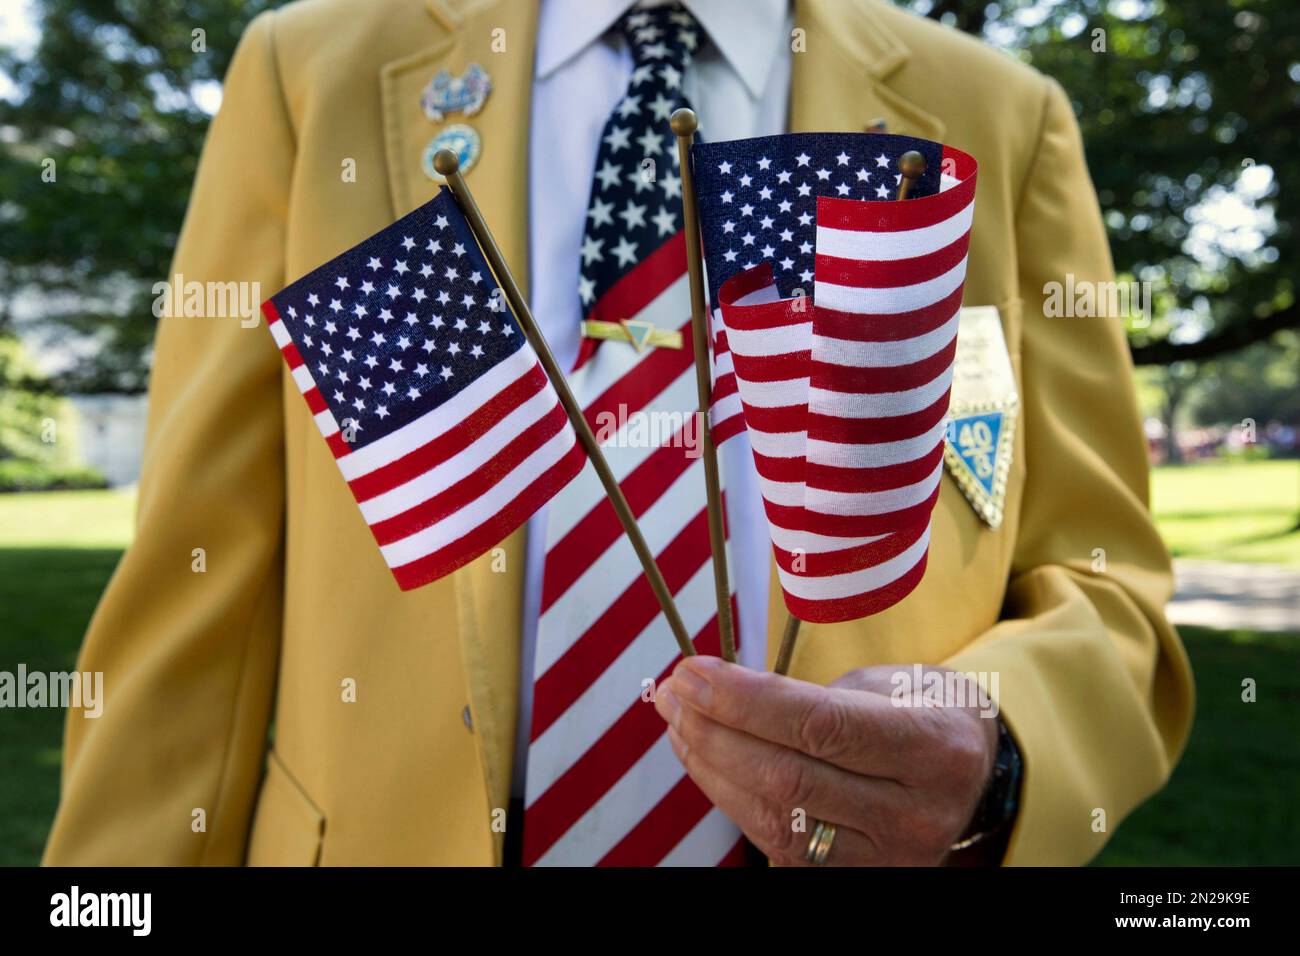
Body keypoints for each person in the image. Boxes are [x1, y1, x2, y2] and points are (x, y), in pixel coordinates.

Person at [43, 0, 1193, 867]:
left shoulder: (999, 114)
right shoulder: (316, 72)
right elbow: (198, 598)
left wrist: (999, 754)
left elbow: (1102, 585)